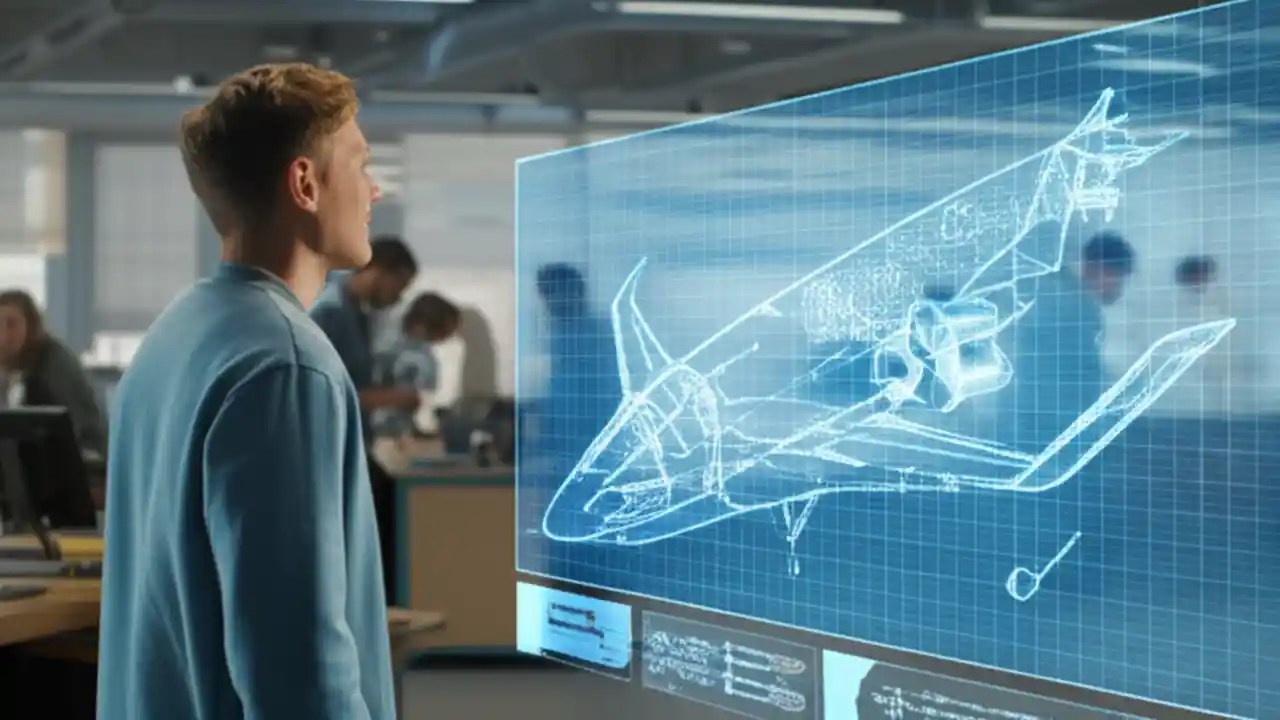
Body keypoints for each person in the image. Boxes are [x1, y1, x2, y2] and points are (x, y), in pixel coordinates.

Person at [98, 63, 395, 719]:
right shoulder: (286, 365)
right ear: (306, 184)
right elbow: (297, 667)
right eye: (360, 164)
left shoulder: (175, 334)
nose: (373, 191)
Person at [311, 235, 419, 602]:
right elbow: (329, 393)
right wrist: (396, 398)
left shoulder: (356, 314)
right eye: (399, 285)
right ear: (379, 271)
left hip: (353, 444)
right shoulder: (330, 312)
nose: (399, 297)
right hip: (329, 451)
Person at [1009, 230, 1134, 449]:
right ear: (1097, 268)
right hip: (1055, 425)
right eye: (1116, 279)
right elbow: (1077, 370)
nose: (1118, 288)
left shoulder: (1055, 293)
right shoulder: (1075, 306)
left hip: (1042, 420)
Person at [0, 289, 107, 456]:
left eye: (12, 324)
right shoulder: (10, 368)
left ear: (31, 326)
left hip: (84, 462)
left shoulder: (57, 364)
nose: (3, 335)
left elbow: (76, 429)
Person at [371, 292, 462, 438]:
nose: (444, 340)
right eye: (443, 333)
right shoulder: (385, 345)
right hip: (374, 430)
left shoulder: (422, 351)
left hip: (398, 432)